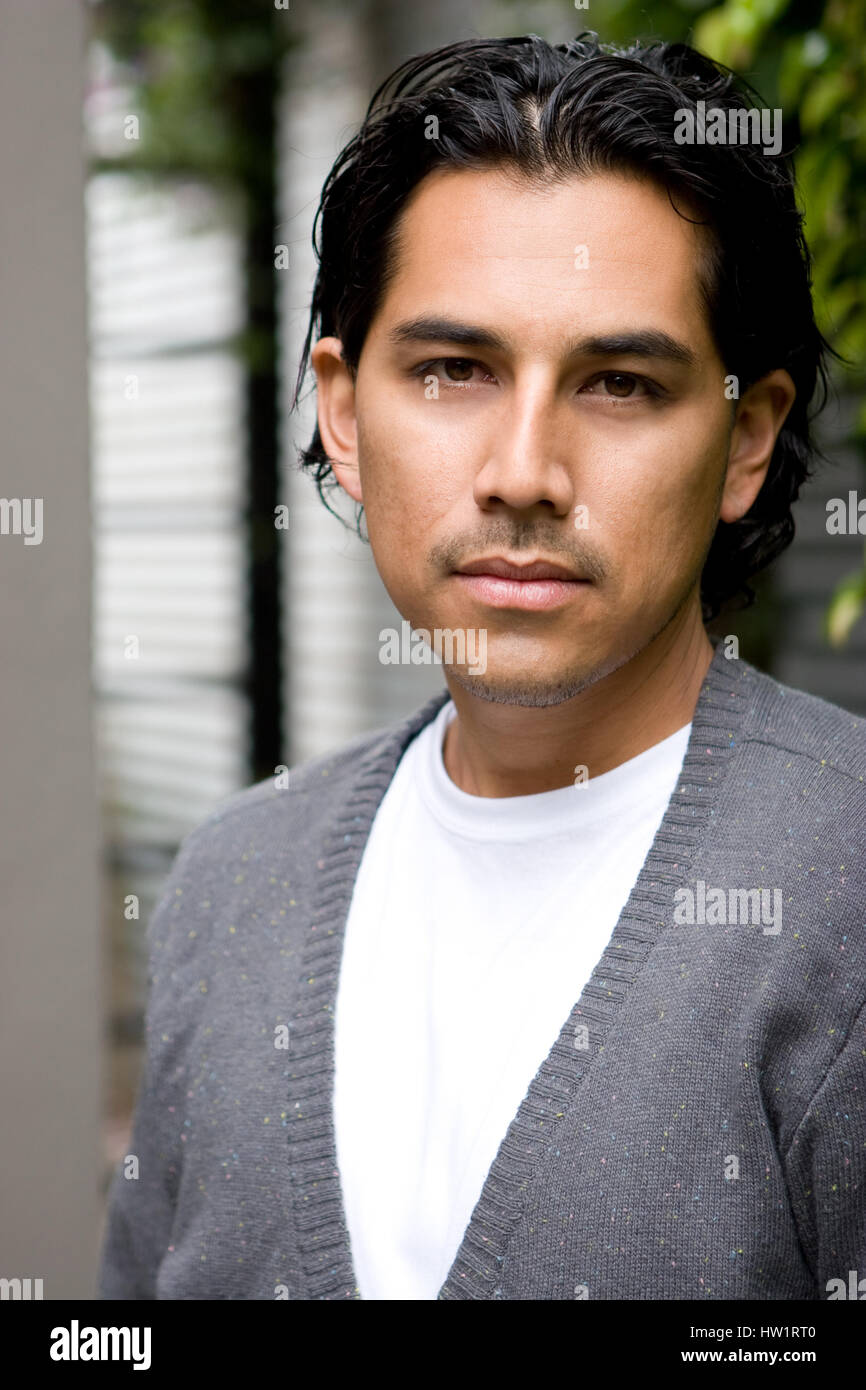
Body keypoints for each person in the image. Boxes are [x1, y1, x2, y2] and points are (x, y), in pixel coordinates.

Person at [98, 32, 866, 1301]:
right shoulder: (232, 882)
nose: (521, 471)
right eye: (452, 370)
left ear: (744, 440)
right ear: (342, 412)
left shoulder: (840, 888)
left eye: (618, 383)